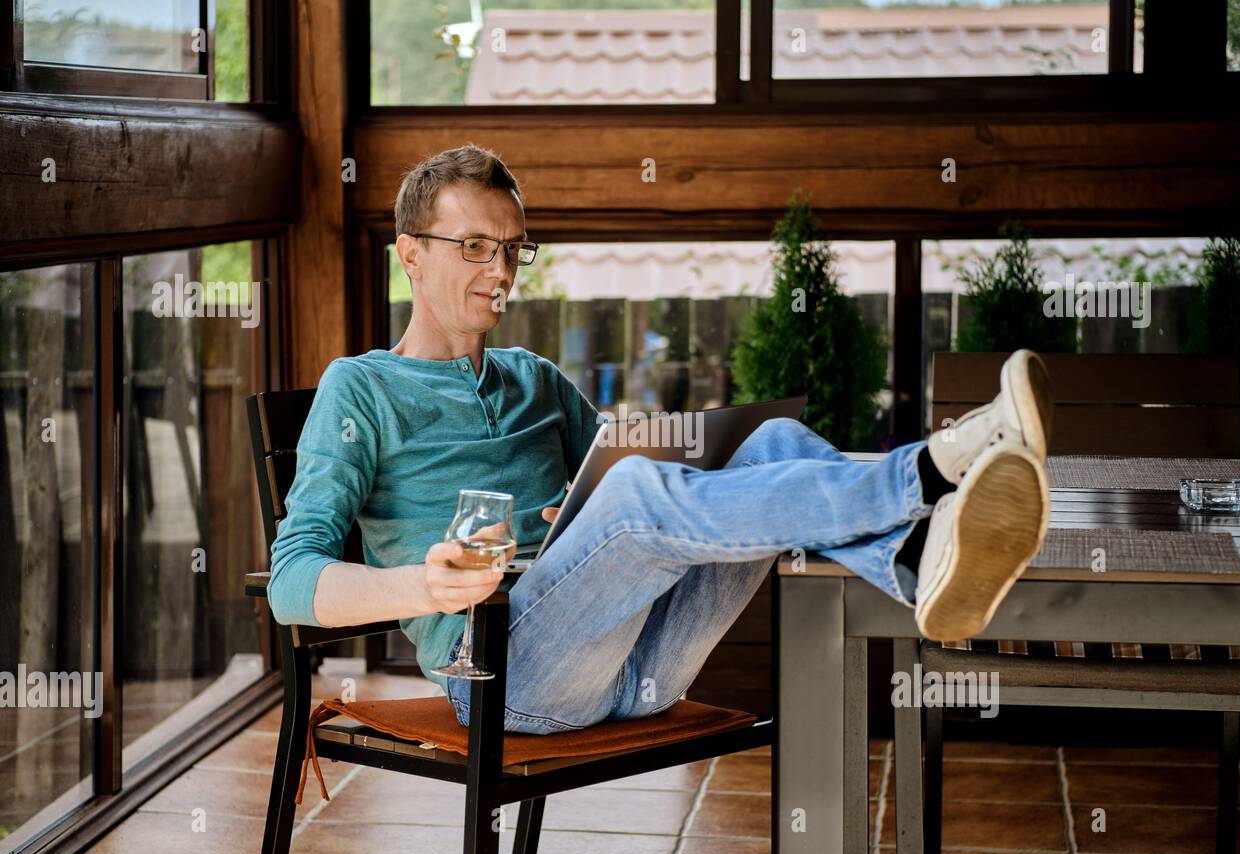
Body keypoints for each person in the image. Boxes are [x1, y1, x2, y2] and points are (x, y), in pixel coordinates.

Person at [266, 144, 1053, 736]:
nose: (500, 270)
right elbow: (291, 580)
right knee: (635, 494)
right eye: (474, 245)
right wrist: (424, 587)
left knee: (768, 438)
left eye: (512, 249)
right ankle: (931, 469)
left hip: (646, 664)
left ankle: (911, 562)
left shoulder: (535, 378)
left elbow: (627, 474)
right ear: (410, 252)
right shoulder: (360, 388)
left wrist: (589, 516)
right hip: (504, 676)